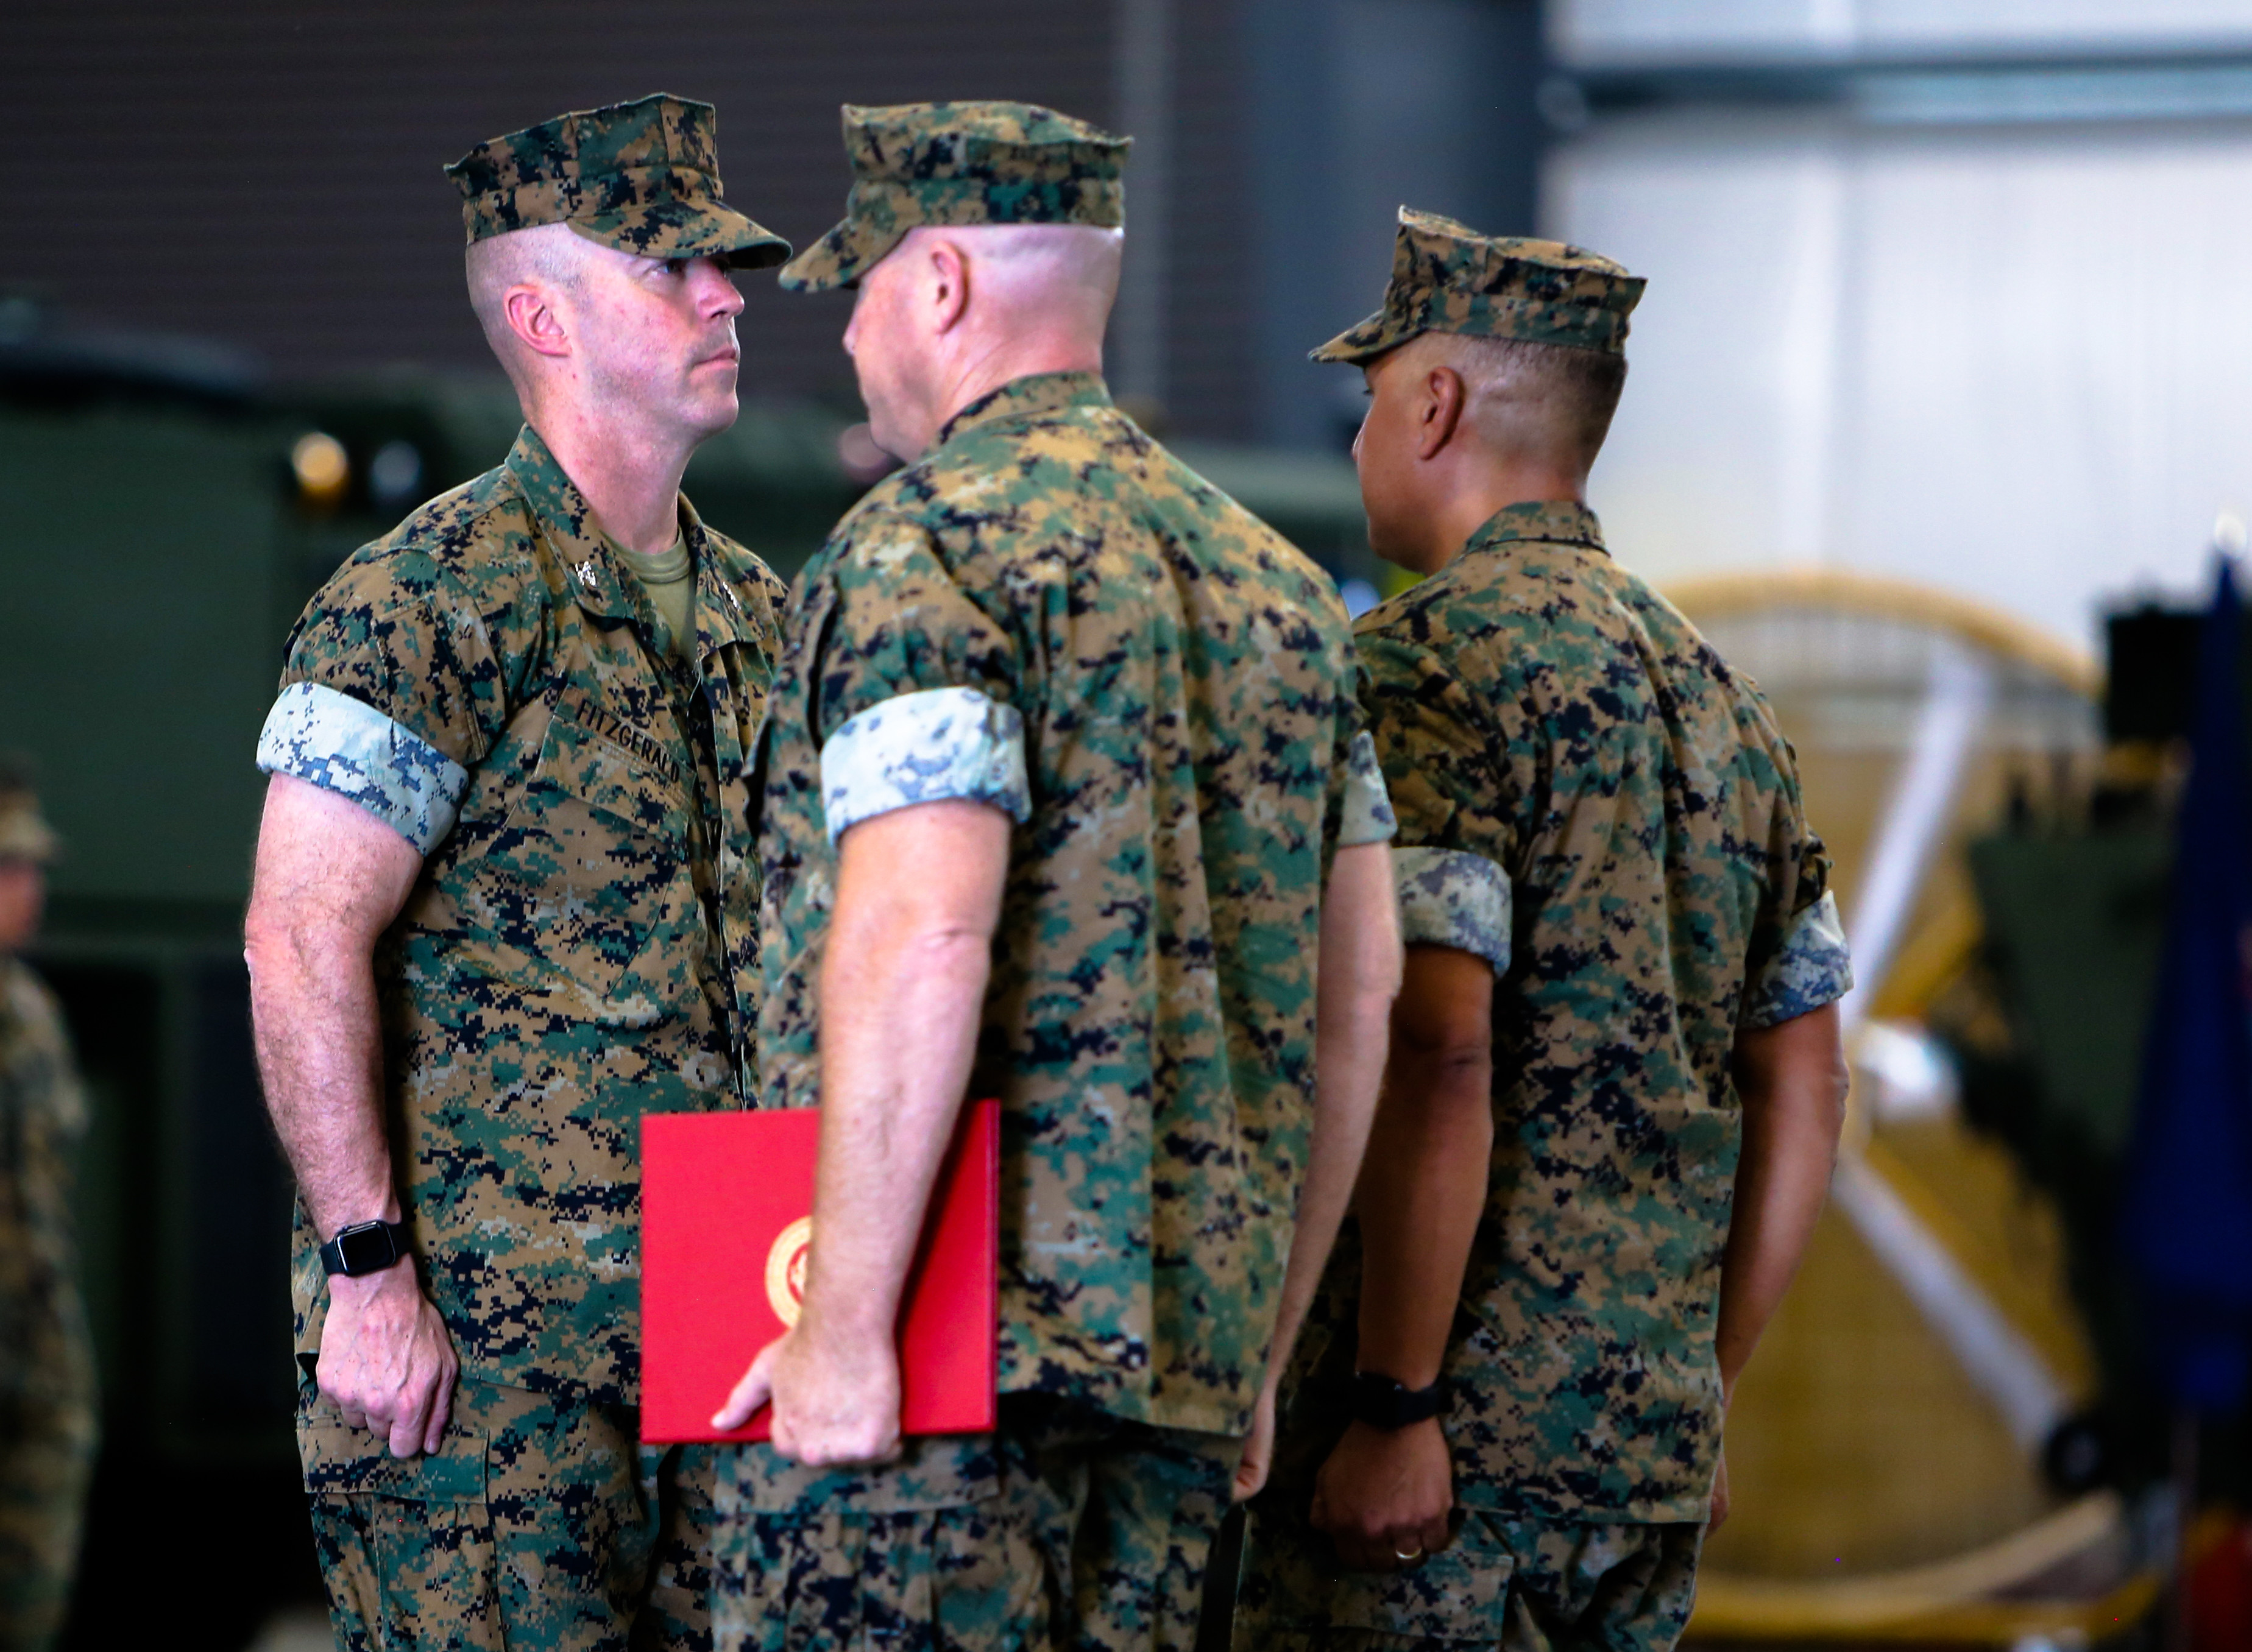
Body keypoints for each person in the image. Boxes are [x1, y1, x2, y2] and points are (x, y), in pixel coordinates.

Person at [706, 101, 1403, 1652]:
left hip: (944, 1383)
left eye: (866, 287)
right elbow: (1365, 992)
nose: (859, 333)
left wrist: (841, 1327)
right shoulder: (1281, 593)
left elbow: (924, 929)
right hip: (1188, 1384)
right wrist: (1266, 1356)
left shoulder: (917, 556)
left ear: (940, 285)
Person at [1232, 210, 1854, 1652]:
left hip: (1439, 1470)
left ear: (1433, 406)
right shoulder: (1727, 706)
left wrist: (1398, 1403)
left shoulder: (1418, 669)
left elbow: (1435, 1046)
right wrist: (1696, 1392)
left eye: (1372, 404)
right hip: (1638, 1456)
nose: (1358, 444)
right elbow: (1809, 1083)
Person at [241, 94, 791, 1652]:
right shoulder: (422, 600)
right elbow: (296, 942)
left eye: (725, 269)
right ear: (543, 315)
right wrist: (367, 1272)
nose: (728, 294)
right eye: (676, 272)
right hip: (490, 1356)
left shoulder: (759, 607)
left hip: (732, 1326)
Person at [0, 766, 95, 1652]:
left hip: (34, 1361)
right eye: (6, 867)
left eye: (32, 868)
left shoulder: (29, 1014)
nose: (25, 889)